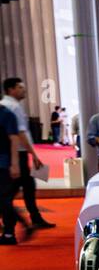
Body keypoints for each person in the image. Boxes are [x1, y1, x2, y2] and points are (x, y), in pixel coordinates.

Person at [0, 78, 54, 231]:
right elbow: (19, 133)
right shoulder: (12, 107)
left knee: (27, 186)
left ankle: (33, 217)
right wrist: (34, 154)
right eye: (20, 87)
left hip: (14, 153)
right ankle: (19, 221)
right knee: (10, 191)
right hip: (16, 153)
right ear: (10, 89)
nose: (24, 90)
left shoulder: (9, 106)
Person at [0, 99, 21, 245]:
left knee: (4, 199)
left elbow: (14, 139)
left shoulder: (6, 114)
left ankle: (9, 233)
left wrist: (14, 163)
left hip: (3, 163)